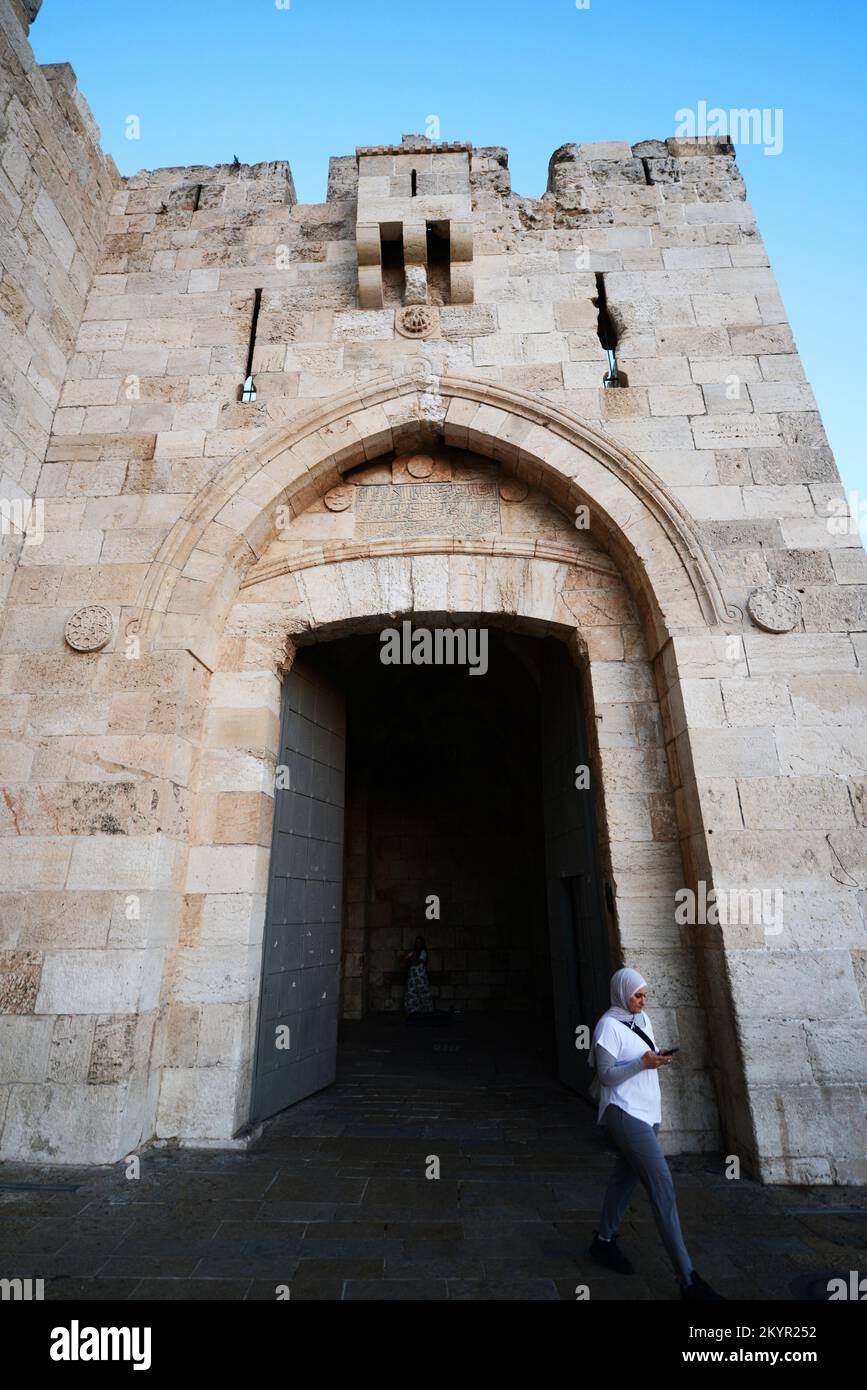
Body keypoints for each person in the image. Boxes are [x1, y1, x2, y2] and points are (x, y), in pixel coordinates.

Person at [587, 966, 725, 1301]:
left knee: (625, 1177)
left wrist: (656, 1060)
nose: (643, 1000)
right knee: (661, 1184)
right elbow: (606, 1076)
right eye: (637, 995)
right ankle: (688, 1280)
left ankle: (603, 1241)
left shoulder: (643, 1021)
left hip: (648, 1112)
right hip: (624, 1113)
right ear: (622, 993)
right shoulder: (607, 1027)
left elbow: (645, 1056)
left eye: (645, 995)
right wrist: (642, 1065)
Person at [403, 935, 435, 1020]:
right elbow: (405, 959)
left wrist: (411, 959)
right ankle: (413, 1012)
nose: (418, 944)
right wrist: (408, 959)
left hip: (420, 978)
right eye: (416, 942)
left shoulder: (423, 952)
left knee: (423, 994)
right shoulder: (413, 953)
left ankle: (426, 1013)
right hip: (413, 978)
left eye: (419, 942)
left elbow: (418, 961)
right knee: (412, 994)